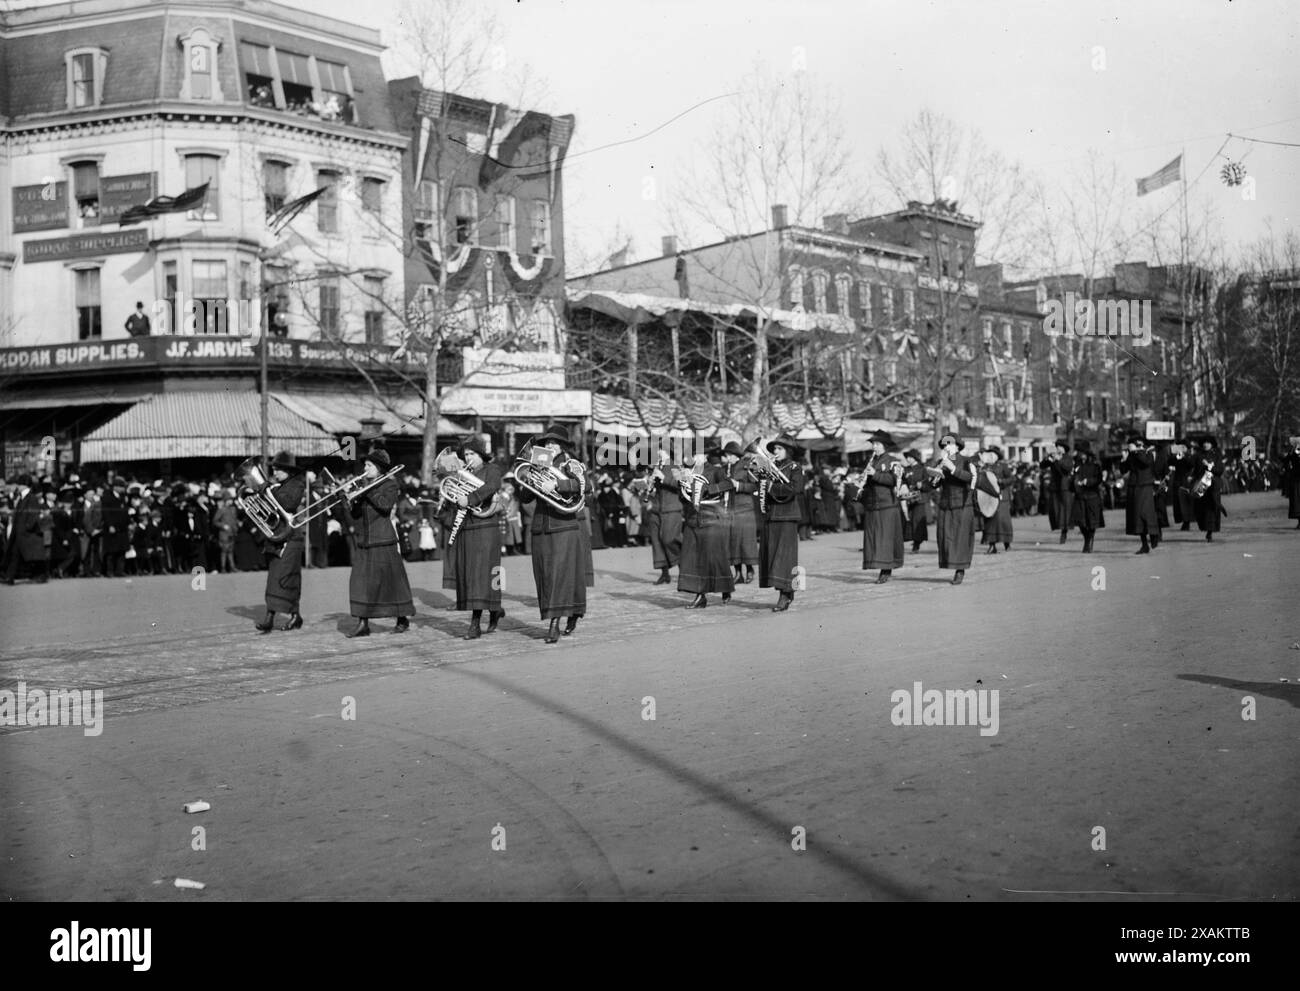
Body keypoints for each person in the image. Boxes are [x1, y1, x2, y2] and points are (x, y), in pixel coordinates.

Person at [518, 430, 588, 643]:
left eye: (554, 443)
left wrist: (558, 484)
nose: (549, 446)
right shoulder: (537, 464)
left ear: (562, 446)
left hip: (563, 526)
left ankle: (553, 624)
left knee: (558, 575)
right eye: (547, 443)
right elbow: (524, 498)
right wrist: (529, 479)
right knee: (544, 576)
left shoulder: (570, 463)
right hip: (541, 526)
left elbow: (586, 486)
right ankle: (573, 610)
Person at [345, 447, 414, 637]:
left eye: (368, 465)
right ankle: (362, 623)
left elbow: (384, 506)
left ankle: (402, 618)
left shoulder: (390, 484)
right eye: (365, 465)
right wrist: (349, 498)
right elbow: (355, 515)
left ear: (378, 468)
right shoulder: (366, 486)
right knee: (360, 582)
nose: (365, 468)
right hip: (365, 541)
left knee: (392, 582)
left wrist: (366, 491)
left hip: (384, 540)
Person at [447, 440, 505, 639]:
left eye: (472, 454)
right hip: (468, 527)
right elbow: (456, 497)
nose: (468, 458)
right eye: (466, 455)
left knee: (485, 574)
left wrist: (469, 499)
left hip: (487, 528)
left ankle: (475, 624)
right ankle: (494, 610)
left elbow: (493, 486)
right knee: (472, 575)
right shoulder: (463, 474)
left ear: (481, 454)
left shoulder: (492, 469)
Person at [677, 448, 736, 609]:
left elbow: (728, 484)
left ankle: (725, 587)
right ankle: (699, 596)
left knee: (715, 558)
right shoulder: (686, 472)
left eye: (696, 455)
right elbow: (682, 496)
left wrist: (708, 489)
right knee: (691, 558)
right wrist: (685, 485)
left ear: (703, 456)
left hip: (711, 519)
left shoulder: (715, 470)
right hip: (692, 519)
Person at [256, 452, 307, 633]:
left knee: (287, 578)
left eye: (278, 470)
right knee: (273, 579)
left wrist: (267, 492)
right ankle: (270, 617)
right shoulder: (278, 485)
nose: (274, 473)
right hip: (277, 537)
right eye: (274, 469)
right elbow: (269, 510)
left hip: (291, 538)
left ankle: (295, 615)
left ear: (288, 471)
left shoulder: (297, 484)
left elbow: (288, 503)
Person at [758, 435, 806, 612]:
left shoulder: (795, 467)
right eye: (774, 449)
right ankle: (786, 590)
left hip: (787, 516)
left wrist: (772, 487)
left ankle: (785, 594)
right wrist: (762, 480)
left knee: (784, 558)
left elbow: (795, 489)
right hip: (772, 515)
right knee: (772, 556)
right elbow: (763, 488)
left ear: (788, 450)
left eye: (779, 449)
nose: (775, 452)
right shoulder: (773, 467)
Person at [926, 433, 975, 585]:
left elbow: (970, 478)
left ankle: (960, 570)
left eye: (949, 444)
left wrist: (952, 468)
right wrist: (935, 476)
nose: (946, 447)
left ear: (957, 446)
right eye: (944, 445)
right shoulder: (942, 462)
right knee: (946, 537)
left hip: (962, 504)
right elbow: (934, 485)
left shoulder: (966, 461)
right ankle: (951, 563)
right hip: (946, 504)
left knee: (960, 538)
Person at [857, 430, 906, 584]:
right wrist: (860, 482)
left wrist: (874, 474)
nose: (874, 447)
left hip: (887, 505)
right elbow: (869, 481)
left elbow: (894, 480)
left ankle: (886, 569)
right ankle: (877, 564)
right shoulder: (871, 461)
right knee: (874, 539)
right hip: (873, 505)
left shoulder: (893, 461)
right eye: (873, 444)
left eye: (877, 444)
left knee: (886, 539)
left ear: (885, 446)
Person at [643, 449, 683, 585]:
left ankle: (683, 569)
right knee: (656, 541)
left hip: (672, 508)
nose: (658, 453)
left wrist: (664, 478)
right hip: (656, 509)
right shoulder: (655, 467)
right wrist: (649, 485)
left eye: (661, 451)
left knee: (669, 539)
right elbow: (656, 491)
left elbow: (681, 485)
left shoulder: (675, 466)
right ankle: (664, 573)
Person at [723, 441, 759, 585]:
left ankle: (749, 569)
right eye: (727, 455)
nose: (727, 458)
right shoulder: (727, 469)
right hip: (731, 508)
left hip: (745, 508)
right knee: (733, 542)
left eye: (729, 455)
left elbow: (755, 485)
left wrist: (739, 485)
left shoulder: (747, 466)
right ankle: (738, 573)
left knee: (746, 542)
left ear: (735, 455)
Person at [1, 475, 48, 584]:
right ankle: (10, 577)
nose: (17, 486)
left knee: (29, 555)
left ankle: (11, 576)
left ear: (23, 485)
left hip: (26, 532)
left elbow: (33, 514)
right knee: (16, 554)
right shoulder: (23, 497)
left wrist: (27, 526)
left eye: (19, 484)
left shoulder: (31, 498)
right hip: (20, 532)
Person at [1121, 434, 1162, 554]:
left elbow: (1146, 462)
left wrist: (1136, 452)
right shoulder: (1132, 455)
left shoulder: (1147, 452)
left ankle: (1154, 534)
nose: (1130, 447)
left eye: (1132, 445)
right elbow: (1124, 470)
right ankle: (1144, 544)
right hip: (1134, 486)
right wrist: (1124, 459)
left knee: (1146, 513)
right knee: (1136, 516)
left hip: (1145, 486)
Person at [977, 446, 1014, 554]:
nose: (991, 456)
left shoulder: (1003, 466)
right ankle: (992, 545)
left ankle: (1007, 543)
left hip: (1002, 497)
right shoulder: (984, 467)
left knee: (1003, 521)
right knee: (990, 521)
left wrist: (1002, 481)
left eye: (993, 454)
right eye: (989, 454)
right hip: (989, 498)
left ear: (997, 456)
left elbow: (1012, 478)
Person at [1070, 441, 1105, 553]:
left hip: (1092, 495)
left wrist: (1087, 481)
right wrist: (1074, 481)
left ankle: (1089, 541)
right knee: (1080, 521)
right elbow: (1073, 478)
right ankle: (1087, 538)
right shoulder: (1076, 464)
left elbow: (1098, 479)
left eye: (1082, 452)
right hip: (1080, 495)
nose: (1080, 454)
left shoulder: (1095, 464)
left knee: (1091, 521)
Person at [1189, 438, 1226, 542]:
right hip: (1201, 485)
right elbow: (1194, 468)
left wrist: (1209, 467)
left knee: (1212, 508)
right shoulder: (1198, 455)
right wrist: (1192, 476)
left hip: (1213, 485)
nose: (1206, 445)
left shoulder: (1217, 455)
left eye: (1208, 443)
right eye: (1204, 443)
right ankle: (1205, 527)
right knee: (1200, 508)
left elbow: (1220, 470)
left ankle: (1210, 531)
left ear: (1212, 444)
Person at [1045, 439, 1075, 544]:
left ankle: (1064, 531)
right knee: (1056, 510)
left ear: (1063, 448)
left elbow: (1066, 469)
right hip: (1055, 487)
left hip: (1065, 487)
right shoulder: (1053, 457)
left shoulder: (1068, 458)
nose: (1057, 448)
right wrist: (1049, 458)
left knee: (1065, 510)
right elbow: (1042, 465)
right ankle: (1059, 527)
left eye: (1059, 446)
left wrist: (1058, 460)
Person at [901, 450, 929, 553]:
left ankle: (917, 542)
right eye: (907, 457)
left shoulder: (922, 469)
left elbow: (928, 485)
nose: (908, 459)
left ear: (915, 458)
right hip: (909, 498)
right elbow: (903, 481)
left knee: (918, 521)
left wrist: (922, 486)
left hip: (920, 499)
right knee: (910, 520)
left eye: (910, 457)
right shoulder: (906, 470)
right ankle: (912, 539)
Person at [1283, 436, 1300, 530]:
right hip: (1296, 480)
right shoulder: (1293, 453)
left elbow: (1286, 462)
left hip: (1296, 480)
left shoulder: (1294, 453)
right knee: (1296, 501)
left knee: (1297, 501)